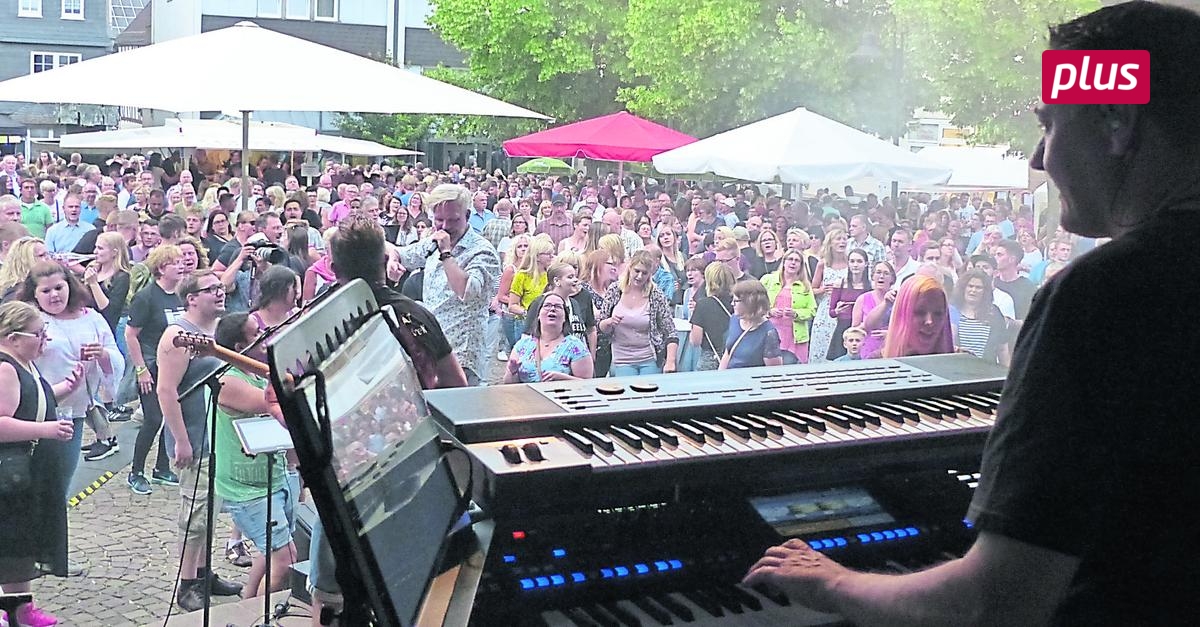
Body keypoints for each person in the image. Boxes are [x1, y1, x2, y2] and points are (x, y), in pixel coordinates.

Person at [747, 5, 1200, 623]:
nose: (1038, 158)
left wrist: (834, 584)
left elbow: (996, 602)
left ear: (1116, 121)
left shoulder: (1105, 296)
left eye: (1051, 124)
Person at [155, 270, 244, 611]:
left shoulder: (215, 332)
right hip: (194, 437)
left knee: (210, 511)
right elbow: (166, 390)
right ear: (191, 298)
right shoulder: (177, 336)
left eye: (221, 287)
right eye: (211, 289)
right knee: (193, 515)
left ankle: (205, 574)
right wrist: (181, 440)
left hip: (218, 436)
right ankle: (187, 583)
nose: (220, 293)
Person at [0, 301, 84, 627]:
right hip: (12, 471)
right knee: (10, 542)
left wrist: (65, 389)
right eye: (38, 334)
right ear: (13, 338)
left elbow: (32, 402)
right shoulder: (6, 369)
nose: (44, 340)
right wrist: (46, 430)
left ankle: (20, 608)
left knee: (21, 544)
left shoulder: (24, 364)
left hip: (30, 470)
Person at [211, 313, 298, 601]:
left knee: (273, 549)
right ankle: (258, 614)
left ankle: (247, 601)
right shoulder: (228, 382)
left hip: (274, 477)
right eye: (257, 333)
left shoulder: (256, 373)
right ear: (240, 347)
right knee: (284, 560)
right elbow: (274, 402)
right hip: (247, 489)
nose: (265, 335)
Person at [392, 185, 501, 385]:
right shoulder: (432, 242)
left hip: (462, 354)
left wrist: (446, 254)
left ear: (467, 216)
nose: (444, 226)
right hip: (432, 348)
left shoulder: (482, 251)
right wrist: (393, 261)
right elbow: (401, 252)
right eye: (439, 220)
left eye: (453, 220)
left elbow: (466, 290)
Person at [21, 261, 123, 469]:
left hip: (72, 411)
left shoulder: (91, 318)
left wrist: (102, 355)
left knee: (63, 474)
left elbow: (115, 356)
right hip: (36, 410)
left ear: (70, 286)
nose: (54, 295)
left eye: (59, 287)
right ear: (35, 294)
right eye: (46, 291)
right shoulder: (30, 321)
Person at [124, 245, 184, 495]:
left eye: (181, 261)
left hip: (175, 366)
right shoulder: (147, 297)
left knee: (171, 417)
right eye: (175, 262)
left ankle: (161, 467)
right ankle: (136, 471)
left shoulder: (180, 294)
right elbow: (131, 335)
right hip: (150, 364)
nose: (181, 265)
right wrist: (141, 369)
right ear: (161, 268)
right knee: (153, 419)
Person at [598, 249, 679, 376]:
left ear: (650, 274)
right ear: (630, 268)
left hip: (649, 357)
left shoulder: (655, 294)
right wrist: (609, 322)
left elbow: (670, 331)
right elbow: (600, 326)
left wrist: (670, 361)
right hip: (621, 358)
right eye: (637, 271)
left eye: (644, 273)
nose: (640, 276)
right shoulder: (615, 290)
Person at [504, 292, 593, 382]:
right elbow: (508, 383)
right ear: (538, 315)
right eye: (547, 305)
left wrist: (563, 379)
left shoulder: (576, 347)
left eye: (558, 306)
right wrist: (512, 372)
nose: (552, 309)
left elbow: (587, 384)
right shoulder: (523, 345)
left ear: (565, 317)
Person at [524, 262, 596, 355]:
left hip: (576, 359)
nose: (575, 280)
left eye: (575, 276)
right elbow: (526, 336)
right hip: (551, 359)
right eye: (570, 277)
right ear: (557, 281)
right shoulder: (540, 303)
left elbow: (588, 331)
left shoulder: (574, 304)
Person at [760, 249, 818, 363]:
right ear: (784, 262)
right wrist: (769, 312)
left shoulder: (805, 286)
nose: (793, 263)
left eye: (797, 261)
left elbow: (812, 311)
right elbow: (757, 303)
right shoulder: (768, 280)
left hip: (795, 336)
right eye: (790, 259)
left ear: (801, 266)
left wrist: (796, 314)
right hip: (771, 332)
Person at [949, 269, 1012, 366]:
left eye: (978, 287)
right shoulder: (952, 311)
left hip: (986, 370)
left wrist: (1007, 371)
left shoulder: (994, 313)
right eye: (970, 286)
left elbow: (1002, 349)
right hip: (957, 368)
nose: (973, 290)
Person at [718, 280, 783, 369]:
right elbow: (728, 352)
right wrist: (720, 374)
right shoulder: (734, 319)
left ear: (749, 303)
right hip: (730, 376)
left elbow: (774, 370)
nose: (732, 304)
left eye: (736, 301)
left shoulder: (769, 333)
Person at [688, 262, 735, 371]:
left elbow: (696, 341)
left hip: (711, 358)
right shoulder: (738, 302)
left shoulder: (703, 305)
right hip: (735, 356)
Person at [853, 261, 896, 360]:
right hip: (868, 349)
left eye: (886, 273)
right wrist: (866, 325)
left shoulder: (897, 298)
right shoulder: (862, 299)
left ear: (892, 278)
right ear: (872, 276)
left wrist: (890, 334)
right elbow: (854, 331)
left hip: (890, 348)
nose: (881, 276)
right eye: (878, 272)